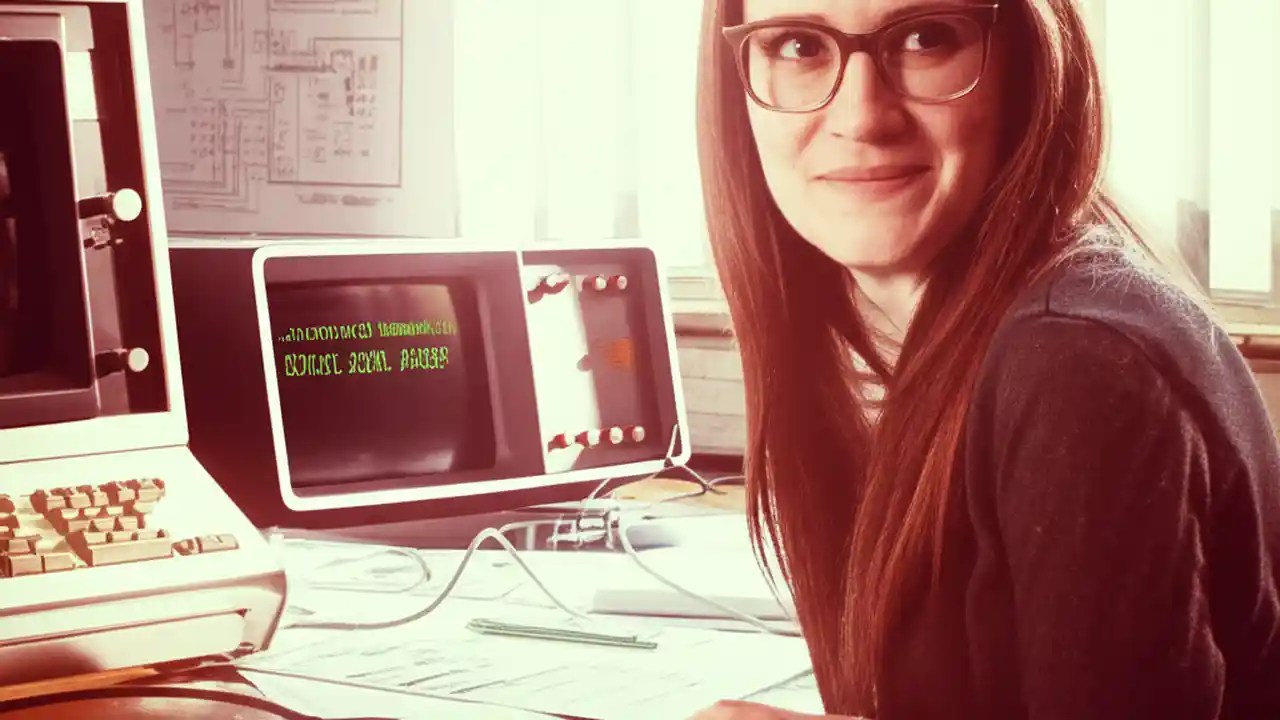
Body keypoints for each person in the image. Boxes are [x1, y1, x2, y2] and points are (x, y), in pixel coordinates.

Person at [685, 0, 1280, 718]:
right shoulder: (1022, 326)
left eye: (927, 37)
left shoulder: (1077, 365)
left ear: (1026, 66)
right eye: (797, 48)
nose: (862, 116)